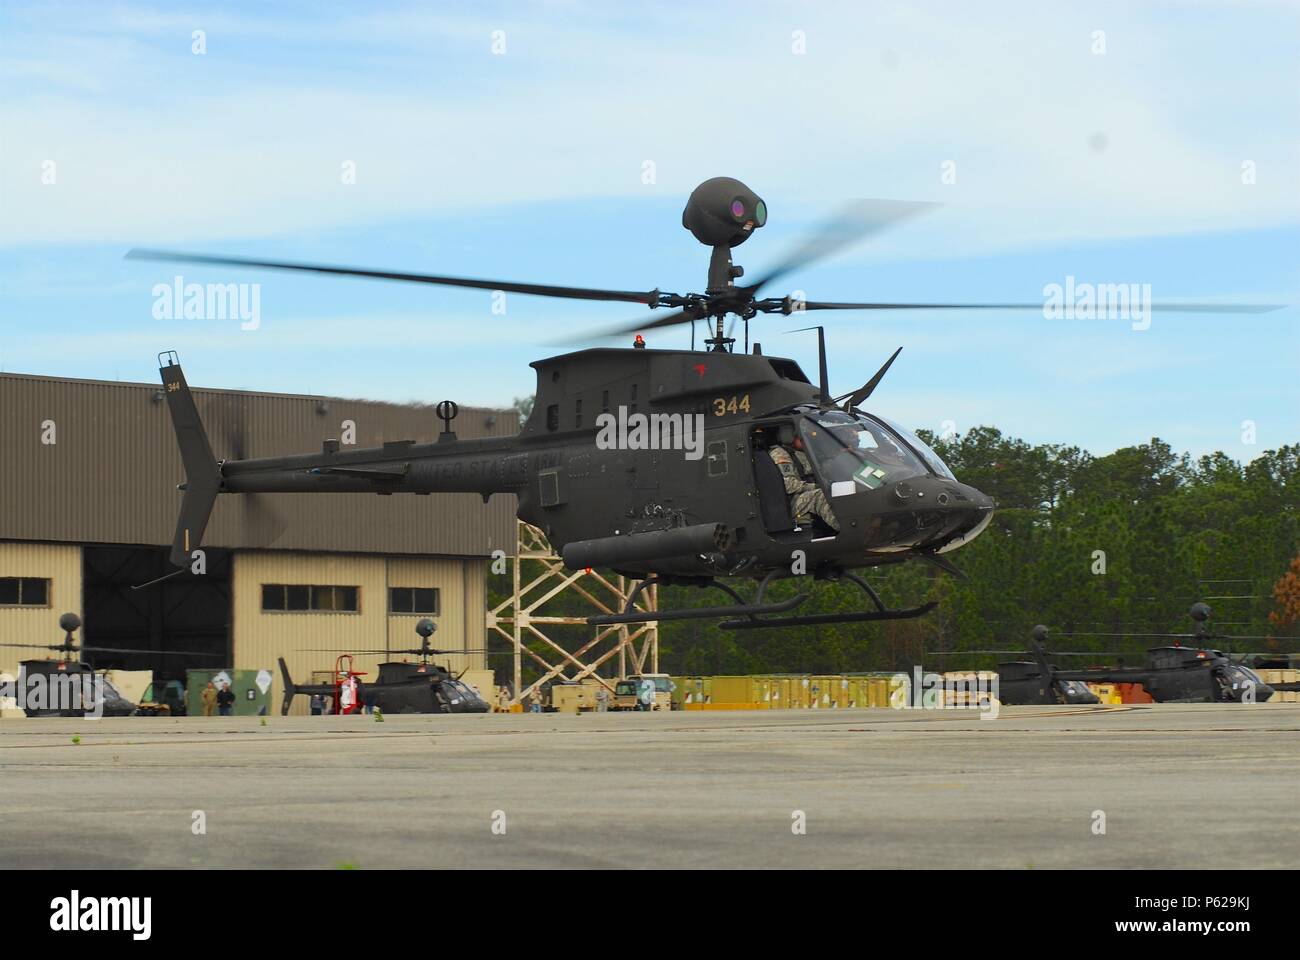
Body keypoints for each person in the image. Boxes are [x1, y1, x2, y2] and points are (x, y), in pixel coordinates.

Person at [768, 435, 840, 532]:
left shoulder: (805, 452)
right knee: (820, 496)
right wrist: (816, 486)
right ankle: (846, 529)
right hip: (790, 501)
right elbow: (788, 485)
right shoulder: (780, 454)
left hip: (803, 494)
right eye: (800, 435)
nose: (807, 437)